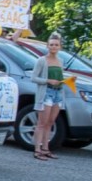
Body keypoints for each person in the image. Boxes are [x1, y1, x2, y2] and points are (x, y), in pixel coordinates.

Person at [30, 31, 66, 161]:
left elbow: (60, 76)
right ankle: (37, 149)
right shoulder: (42, 60)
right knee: (41, 122)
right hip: (46, 93)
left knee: (50, 122)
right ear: (47, 46)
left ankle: (46, 148)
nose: (53, 47)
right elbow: (33, 77)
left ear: (60, 47)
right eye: (51, 45)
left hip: (58, 93)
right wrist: (48, 81)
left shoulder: (60, 61)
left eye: (56, 45)